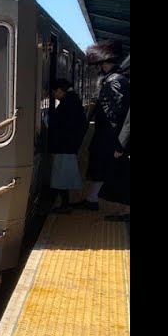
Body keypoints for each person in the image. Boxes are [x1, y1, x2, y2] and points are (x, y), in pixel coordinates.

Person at [83, 41, 130, 213]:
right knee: (101, 168)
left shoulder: (114, 81)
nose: (99, 69)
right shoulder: (117, 79)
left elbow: (115, 114)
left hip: (108, 137)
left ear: (105, 64)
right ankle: (92, 199)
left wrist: (116, 143)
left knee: (103, 168)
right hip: (107, 136)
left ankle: (101, 203)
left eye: (100, 65)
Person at [46, 78, 86, 212]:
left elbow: (59, 125)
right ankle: (62, 203)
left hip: (64, 146)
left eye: (54, 92)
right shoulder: (72, 101)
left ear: (59, 90)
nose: (53, 95)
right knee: (62, 176)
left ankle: (64, 205)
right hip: (68, 146)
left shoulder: (68, 103)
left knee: (61, 176)